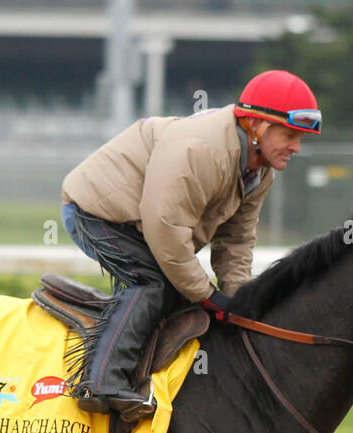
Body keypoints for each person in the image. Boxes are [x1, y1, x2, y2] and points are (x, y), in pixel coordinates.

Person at [59, 70, 321, 415]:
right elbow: (166, 228)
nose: (296, 148)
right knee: (152, 285)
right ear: (256, 125)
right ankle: (100, 383)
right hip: (95, 212)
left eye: (300, 138)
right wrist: (209, 295)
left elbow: (236, 241)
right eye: (289, 135)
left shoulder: (261, 170)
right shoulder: (202, 150)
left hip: (145, 224)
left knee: (187, 297)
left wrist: (239, 300)